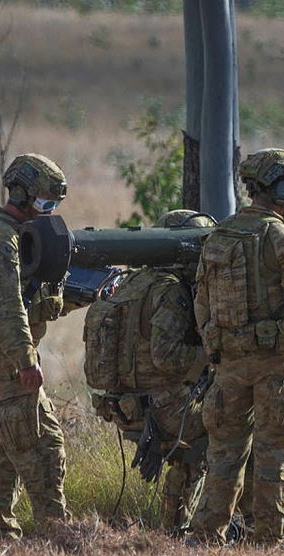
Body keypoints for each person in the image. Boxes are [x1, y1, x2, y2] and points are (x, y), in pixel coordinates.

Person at [188, 148, 284, 547]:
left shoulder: (219, 235)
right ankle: (271, 542)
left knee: (224, 458)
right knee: (275, 459)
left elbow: (201, 303)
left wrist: (217, 352)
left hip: (229, 367)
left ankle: (204, 538)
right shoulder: (283, 239)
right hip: (277, 369)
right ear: (283, 190)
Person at [0, 153, 73, 540]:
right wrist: (25, 359)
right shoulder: (2, 239)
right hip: (3, 359)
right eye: (44, 203)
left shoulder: (7, 234)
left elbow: (26, 300)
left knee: (6, 448)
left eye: (53, 205)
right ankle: (56, 534)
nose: (48, 212)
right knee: (42, 446)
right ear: (21, 195)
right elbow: (4, 305)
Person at [86, 210, 215, 534]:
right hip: (163, 409)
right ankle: (204, 528)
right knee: (233, 426)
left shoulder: (130, 282)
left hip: (126, 407)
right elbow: (167, 356)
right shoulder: (170, 291)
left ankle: (176, 527)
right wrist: (212, 358)